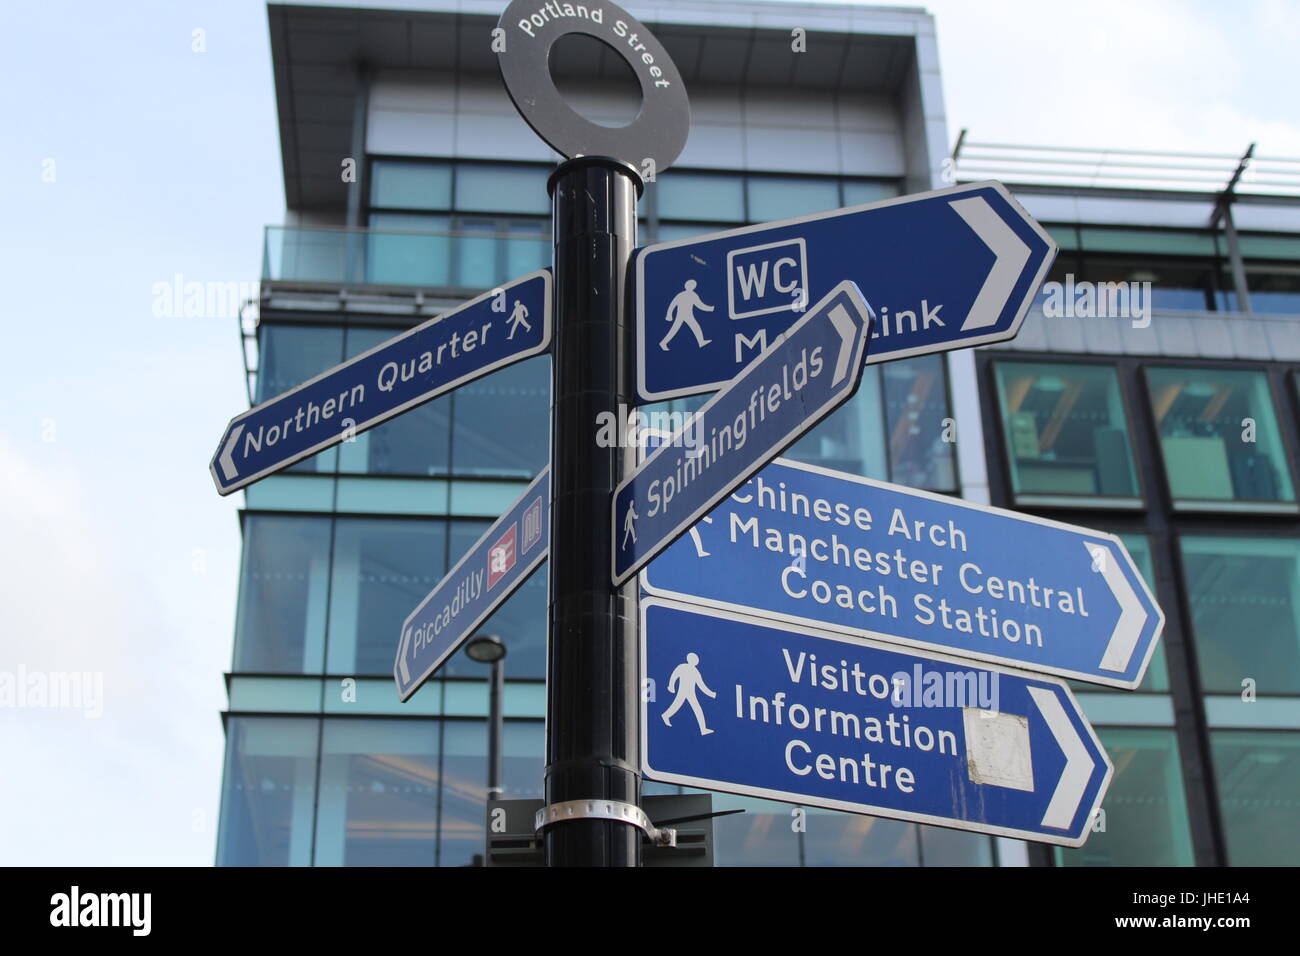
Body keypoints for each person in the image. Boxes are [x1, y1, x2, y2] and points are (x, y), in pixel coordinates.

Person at [661, 652, 716, 735]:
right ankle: (665, 716)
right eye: (694, 659)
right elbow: (674, 676)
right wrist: (671, 686)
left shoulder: (695, 671)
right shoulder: (682, 667)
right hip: (683, 691)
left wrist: (711, 694)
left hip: (690, 693)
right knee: (678, 705)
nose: (696, 661)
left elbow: (701, 685)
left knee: (695, 708)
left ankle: (703, 729)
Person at [659, 279, 714, 351]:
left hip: (688, 315)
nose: (691, 286)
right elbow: (673, 304)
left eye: (693, 285)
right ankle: (663, 343)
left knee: (695, 327)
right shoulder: (681, 295)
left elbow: (699, 305)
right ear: (686, 286)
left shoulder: (693, 295)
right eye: (690, 285)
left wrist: (710, 308)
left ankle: (701, 342)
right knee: (674, 329)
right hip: (681, 315)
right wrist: (669, 314)